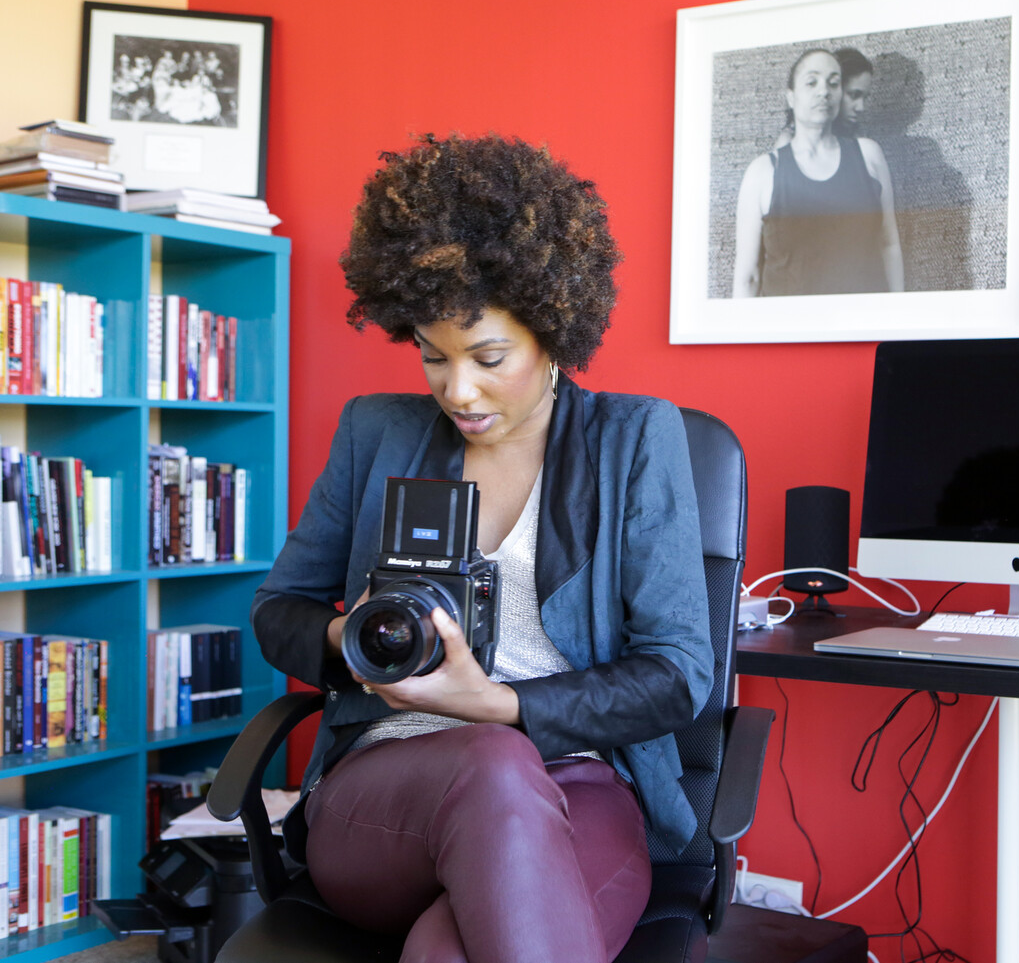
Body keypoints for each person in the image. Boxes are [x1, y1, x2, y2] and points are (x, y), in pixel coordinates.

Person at [251, 133, 713, 963]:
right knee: (494, 766)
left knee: (445, 950)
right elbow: (277, 610)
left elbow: (679, 671)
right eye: (433, 355)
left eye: (488, 357)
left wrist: (498, 705)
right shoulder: (377, 432)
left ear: (554, 330)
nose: (457, 389)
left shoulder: (634, 439)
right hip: (386, 786)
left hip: (578, 781)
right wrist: (352, 639)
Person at [732, 48, 903, 298]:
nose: (823, 92)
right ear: (791, 97)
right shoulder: (764, 171)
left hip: (863, 323)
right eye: (811, 82)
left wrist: (897, 314)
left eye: (833, 84)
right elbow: (748, 275)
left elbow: (889, 243)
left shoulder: (869, 156)